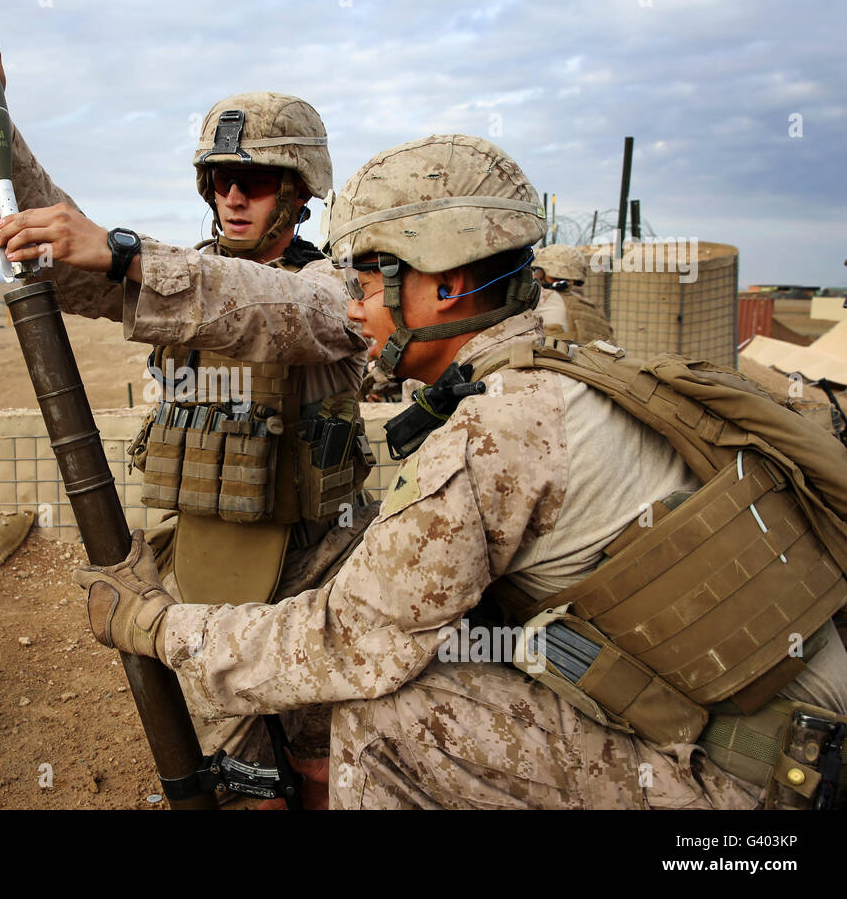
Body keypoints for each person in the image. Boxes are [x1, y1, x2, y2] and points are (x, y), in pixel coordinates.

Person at [73, 133, 847, 809]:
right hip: (785, 731)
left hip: (750, 784)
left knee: (387, 717)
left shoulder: (494, 435)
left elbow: (346, 642)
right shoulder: (565, 342)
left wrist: (154, 623)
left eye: (371, 281)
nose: (355, 308)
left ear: (443, 286)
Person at [0, 19, 372, 761]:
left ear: (300, 194)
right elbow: (69, 264)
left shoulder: (332, 285)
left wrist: (127, 253)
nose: (232, 196)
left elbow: (281, 310)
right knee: (232, 769)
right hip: (203, 566)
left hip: (316, 575)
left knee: (325, 758)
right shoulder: (179, 279)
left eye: (256, 181)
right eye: (218, 179)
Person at [531, 244, 617, 345]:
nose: (535, 276)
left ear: (547, 273)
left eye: (538, 271)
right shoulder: (595, 309)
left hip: (554, 359)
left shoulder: (546, 297)